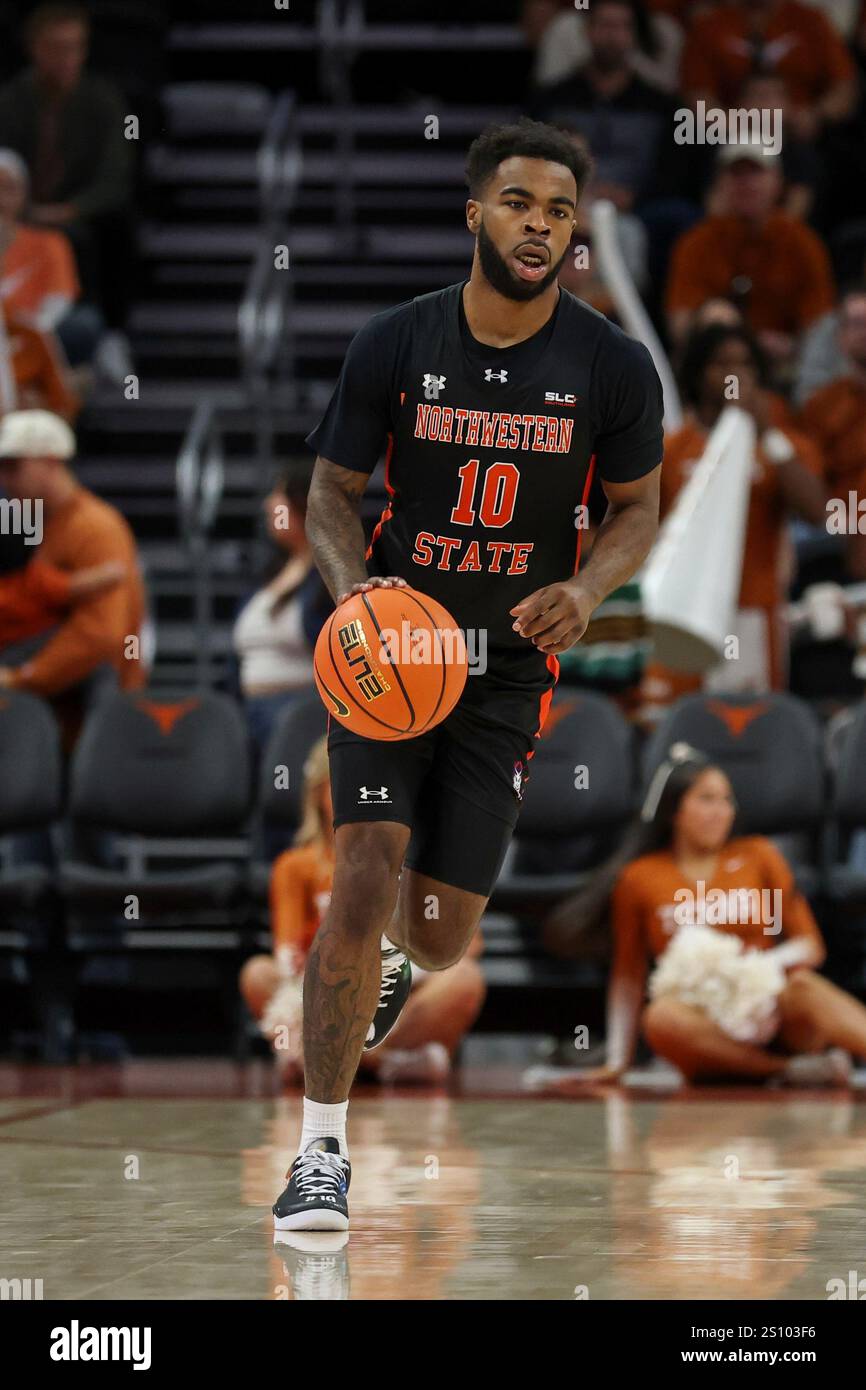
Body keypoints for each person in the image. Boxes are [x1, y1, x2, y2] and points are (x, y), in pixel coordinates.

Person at [271, 117, 664, 1232]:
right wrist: (358, 598)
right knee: (360, 870)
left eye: (556, 211)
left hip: (504, 675)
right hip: (395, 652)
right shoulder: (394, 342)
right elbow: (332, 496)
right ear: (473, 213)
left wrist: (588, 590)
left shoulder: (609, 365)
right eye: (517, 203)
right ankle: (319, 1154)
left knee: (438, 933)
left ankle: (399, 964)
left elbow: (637, 512)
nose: (537, 226)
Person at [543, 746, 866, 1086]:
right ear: (674, 811)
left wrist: (753, 967)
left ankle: (789, 1062)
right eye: (706, 799)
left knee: (804, 985)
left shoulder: (758, 857)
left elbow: (809, 946)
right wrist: (617, 1062)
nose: (721, 811)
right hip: (701, 1020)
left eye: (726, 800)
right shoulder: (641, 877)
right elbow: (629, 975)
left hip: (767, 1006)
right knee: (660, 1017)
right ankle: (782, 1071)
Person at [240, 737, 487, 1087]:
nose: (355, 799)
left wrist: (399, 972)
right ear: (317, 794)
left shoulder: (417, 859)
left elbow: (468, 943)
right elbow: (285, 953)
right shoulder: (295, 865)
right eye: (342, 787)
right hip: (326, 988)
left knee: (464, 979)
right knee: (257, 974)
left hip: (402, 992)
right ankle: (387, 1063)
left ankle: (345, 1059)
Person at [639, 323, 827, 714]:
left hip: (751, 615)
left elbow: (818, 511)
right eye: (721, 364)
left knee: (746, 725)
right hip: (682, 608)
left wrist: (767, 435)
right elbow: (642, 532)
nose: (734, 375)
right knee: (676, 725)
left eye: (745, 365)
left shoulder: (780, 444)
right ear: (696, 373)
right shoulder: (673, 448)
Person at [0, 2, 134, 368]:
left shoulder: (103, 101)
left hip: (79, 212)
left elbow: (115, 177)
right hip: (16, 207)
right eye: (56, 48)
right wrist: (18, 205)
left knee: (113, 225)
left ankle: (110, 334)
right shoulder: (11, 101)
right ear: (34, 49)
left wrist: (70, 209)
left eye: (75, 47)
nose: (67, 58)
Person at [0, 409, 146, 742]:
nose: (5, 480)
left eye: (13, 466)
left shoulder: (95, 527)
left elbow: (101, 634)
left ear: (51, 462)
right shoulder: (21, 522)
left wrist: (23, 676)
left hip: (87, 716)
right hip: (40, 707)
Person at [665, 143, 836, 370]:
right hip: (714, 367)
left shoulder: (803, 244)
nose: (746, 182)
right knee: (716, 316)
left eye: (756, 171)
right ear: (720, 183)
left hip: (786, 367)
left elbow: (821, 328)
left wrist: (791, 345)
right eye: (736, 173)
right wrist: (734, 339)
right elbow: (680, 324)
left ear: (778, 181)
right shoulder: (696, 243)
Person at [233, 467, 331, 761]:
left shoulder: (330, 577)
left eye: (277, 495)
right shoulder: (270, 571)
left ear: (304, 504)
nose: (268, 505)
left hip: (300, 716)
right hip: (249, 711)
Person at [680, 0, 857, 132]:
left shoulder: (811, 21)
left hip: (800, 135)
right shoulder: (711, 25)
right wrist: (731, 125)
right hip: (729, 134)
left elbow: (844, 86)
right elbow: (697, 94)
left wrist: (816, 115)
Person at [0, 146, 101, 365]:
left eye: (9, 189)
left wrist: (30, 334)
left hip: (33, 331)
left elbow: (59, 300)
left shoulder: (49, 242)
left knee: (83, 325)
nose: (2, 200)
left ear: (24, 194)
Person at [797, 286, 866, 580]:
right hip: (843, 539)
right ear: (840, 336)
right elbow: (812, 482)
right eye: (857, 323)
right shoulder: (821, 407)